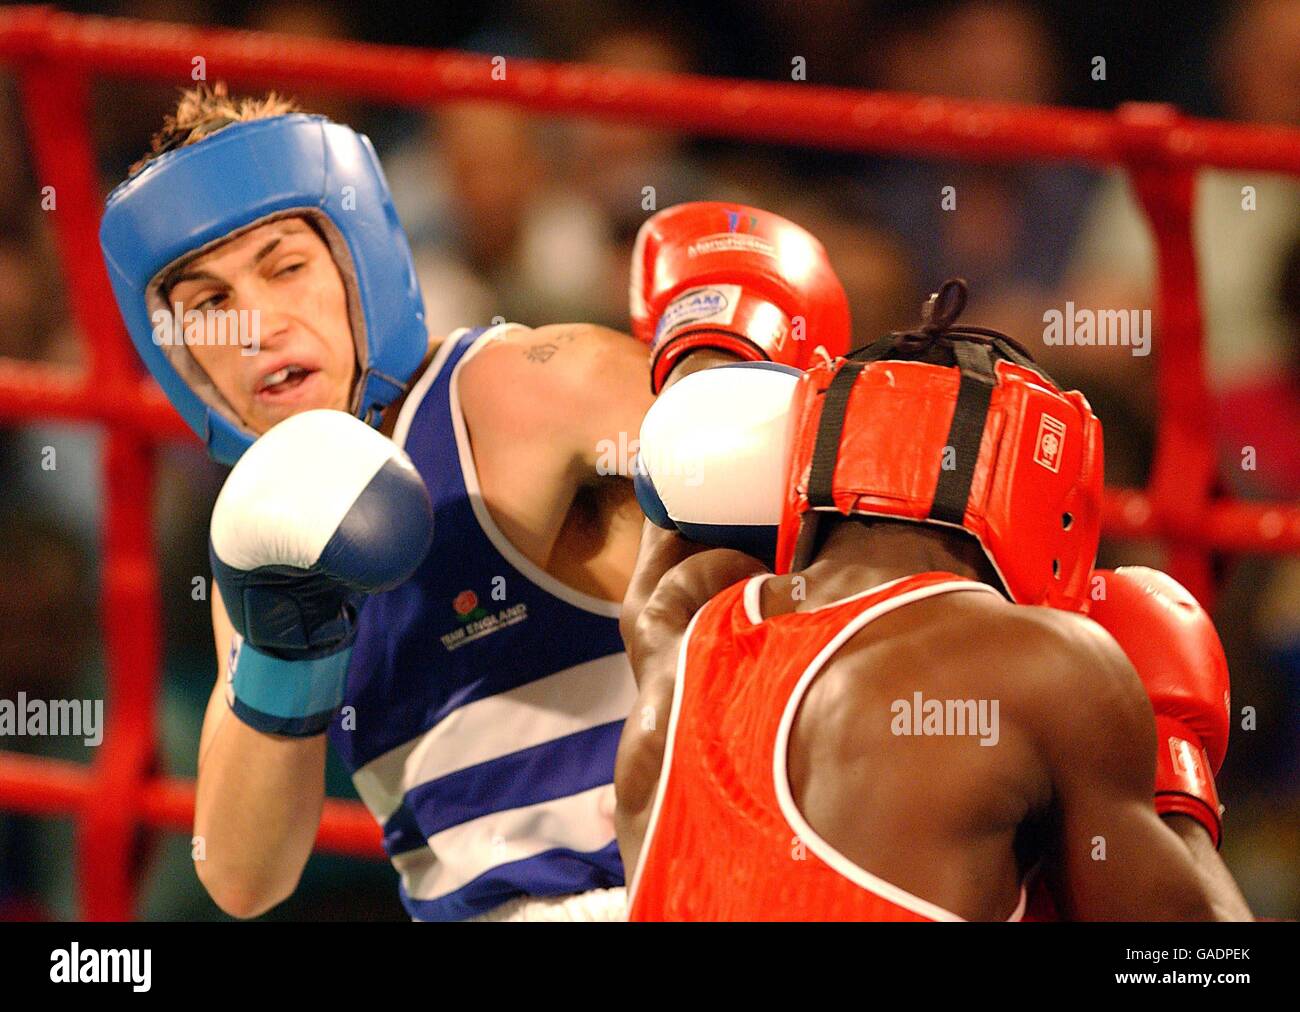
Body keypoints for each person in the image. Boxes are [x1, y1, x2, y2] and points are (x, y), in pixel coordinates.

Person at [98, 85, 848, 920]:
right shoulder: (255, 530)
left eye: (285, 268)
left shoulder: (517, 390)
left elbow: (823, 493)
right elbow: (243, 878)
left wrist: (737, 373)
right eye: (209, 304)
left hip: (674, 894)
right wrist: (285, 653)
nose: (257, 326)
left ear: (362, 262)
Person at [618, 280, 1253, 920]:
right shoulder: (1052, 667)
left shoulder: (679, 626)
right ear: (1044, 482)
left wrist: (711, 339)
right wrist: (1177, 777)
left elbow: (676, 464)